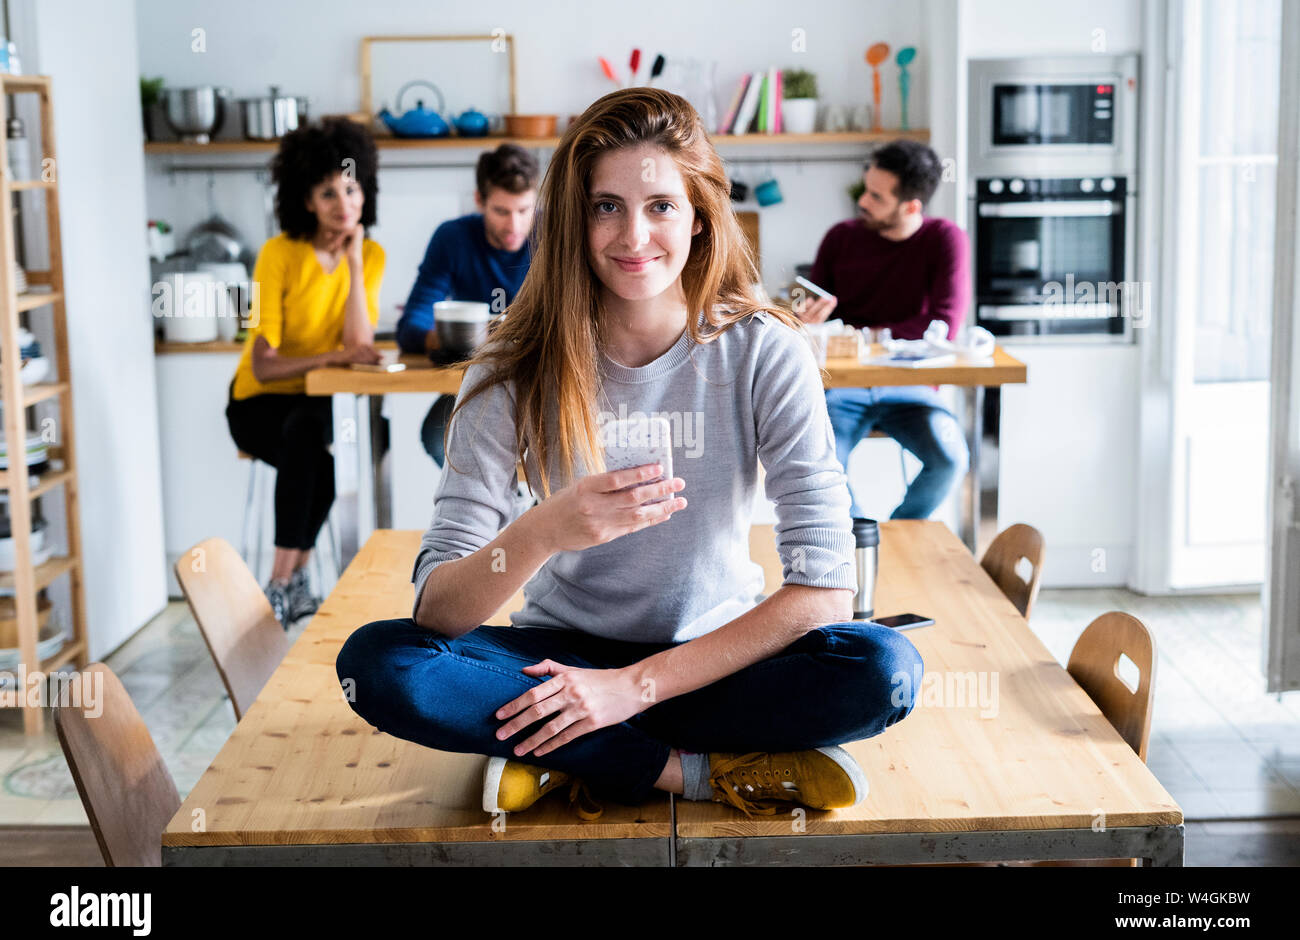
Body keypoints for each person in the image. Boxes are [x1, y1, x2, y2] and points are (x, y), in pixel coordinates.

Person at [336, 89, 923, 821]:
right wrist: (543, 531)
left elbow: (828, 590)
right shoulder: (511, 366)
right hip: (556, 661)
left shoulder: (765, 350)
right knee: (380, 665)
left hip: (710, 659)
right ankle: (681, 770)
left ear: (701, 218)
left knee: (884, 671)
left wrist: (634, 689)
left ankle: (558, 752)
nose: (632, 234)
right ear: (573, 222)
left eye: (660, 206)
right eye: (605, 206)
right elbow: (439, 610)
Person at [226, 118, 385, 627]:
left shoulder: (371, 255)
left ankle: (286, 585)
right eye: (327, 193)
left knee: (353, 439)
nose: (344, 204)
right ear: (306, 200)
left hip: (319, 405)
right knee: (313, 442)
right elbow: (264, 365)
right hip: (257, 404)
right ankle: (283, 582)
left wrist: (356, 267)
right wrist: (332, 358)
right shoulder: (279, 254)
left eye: (352, 188)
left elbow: (359, 346)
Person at [798, 140, 971, 520]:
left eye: (876, 196)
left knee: (951, 459)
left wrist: (859, 336)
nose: (862, 201)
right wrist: (809, 321)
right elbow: (816, 318)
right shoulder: (839, 238)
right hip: (842, 386)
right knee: (822, 467)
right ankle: (862, 542)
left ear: (911, 206)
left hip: (910, 387)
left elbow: (942, 324)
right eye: (865, 188)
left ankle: (896, 542)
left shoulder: (944, 239)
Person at [396, 145, 538, 469]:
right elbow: (411, 326)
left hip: (541, 379)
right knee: (436, 437)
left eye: (524, 210)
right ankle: (503, 511)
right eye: (501, 211)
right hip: (472, 382)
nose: (514, 225)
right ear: (480, 201)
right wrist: (457, 338)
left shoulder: (553, 233)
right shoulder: (453, 238)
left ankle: (524, 510)